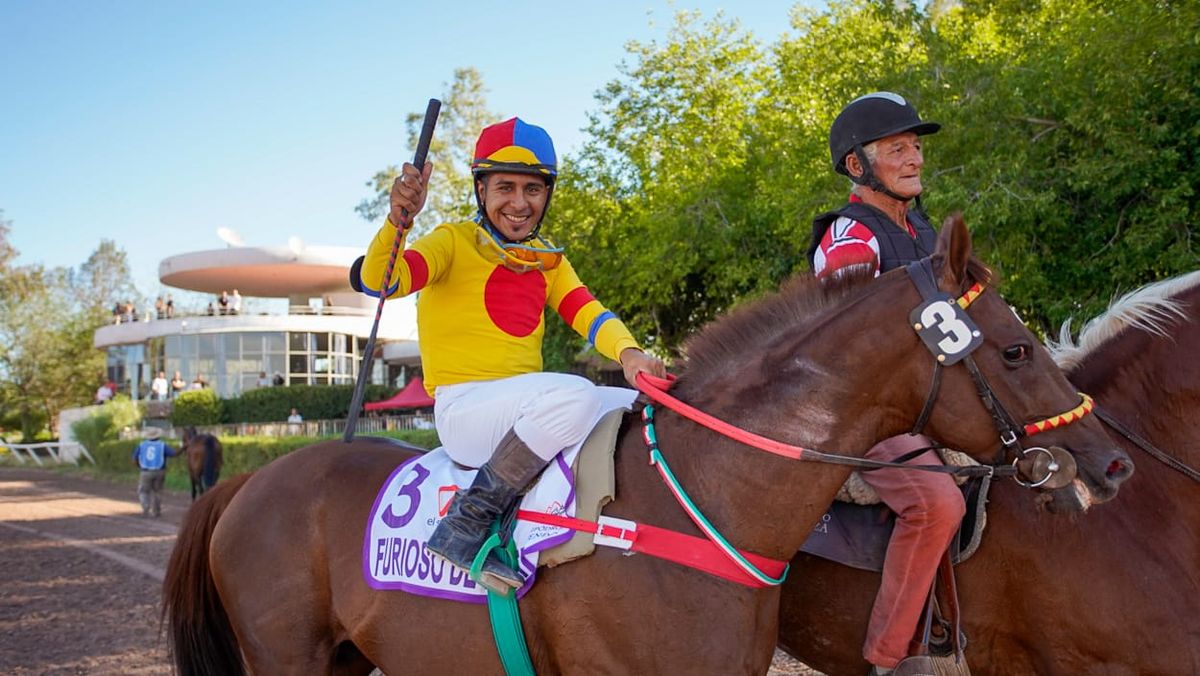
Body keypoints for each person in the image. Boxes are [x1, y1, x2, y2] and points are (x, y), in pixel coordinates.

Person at [356, 117, 666, 594]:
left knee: (624, 404)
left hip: (522, 411)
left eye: (533, 189)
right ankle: (467, 522)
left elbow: (589, 313)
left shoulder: (548, 260)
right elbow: (383, 282)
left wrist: (630, 353)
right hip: (466, 414)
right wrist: (399, 221)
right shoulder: (451, 242)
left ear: (547, 195)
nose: (519, 203)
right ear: (481, 190)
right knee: (578, 396)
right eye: (505, 187)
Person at [808, 92, 965, 676]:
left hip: (929, 399)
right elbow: (848, 349)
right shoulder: (851, 236)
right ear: (858, 165)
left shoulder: (924, 230)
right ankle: (891, 658)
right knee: (936, 502)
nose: (914, 158)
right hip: (865, 407)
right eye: (897, 148)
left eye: (916, 146)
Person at [131, 427, 177, 517]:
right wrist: (184, 447)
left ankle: (146, 508)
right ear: (158, 436)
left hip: (145, 471)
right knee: (158, 491)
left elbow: (134, 459)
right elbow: (174, 454)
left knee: (143, 491)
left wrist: (139, 466)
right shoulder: (162, 445)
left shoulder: (142, 445)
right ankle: (156, 511)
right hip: (160, 471)